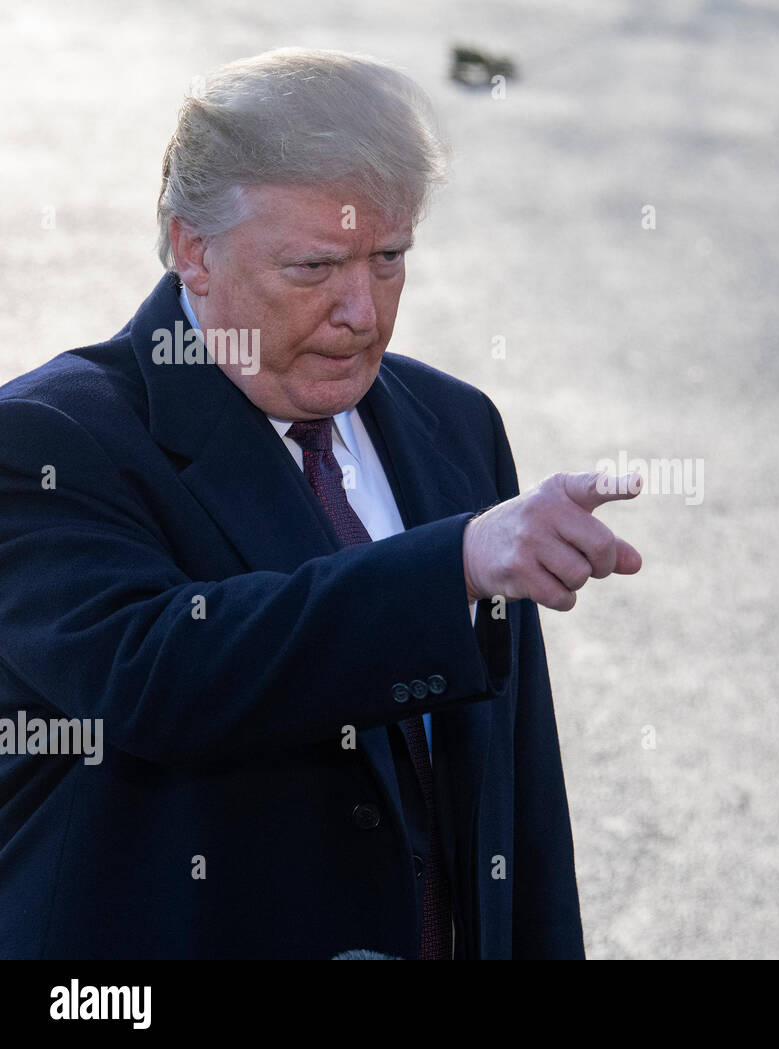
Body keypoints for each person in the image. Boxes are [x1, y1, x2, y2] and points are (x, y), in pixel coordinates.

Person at [0, 47, 642, 959]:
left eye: (388, 258)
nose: (363, 311)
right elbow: (160, 677)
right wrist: (450, 565)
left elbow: (519, 800)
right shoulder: (46, 439)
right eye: (313, 268)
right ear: (193, 248)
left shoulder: (457, 426)